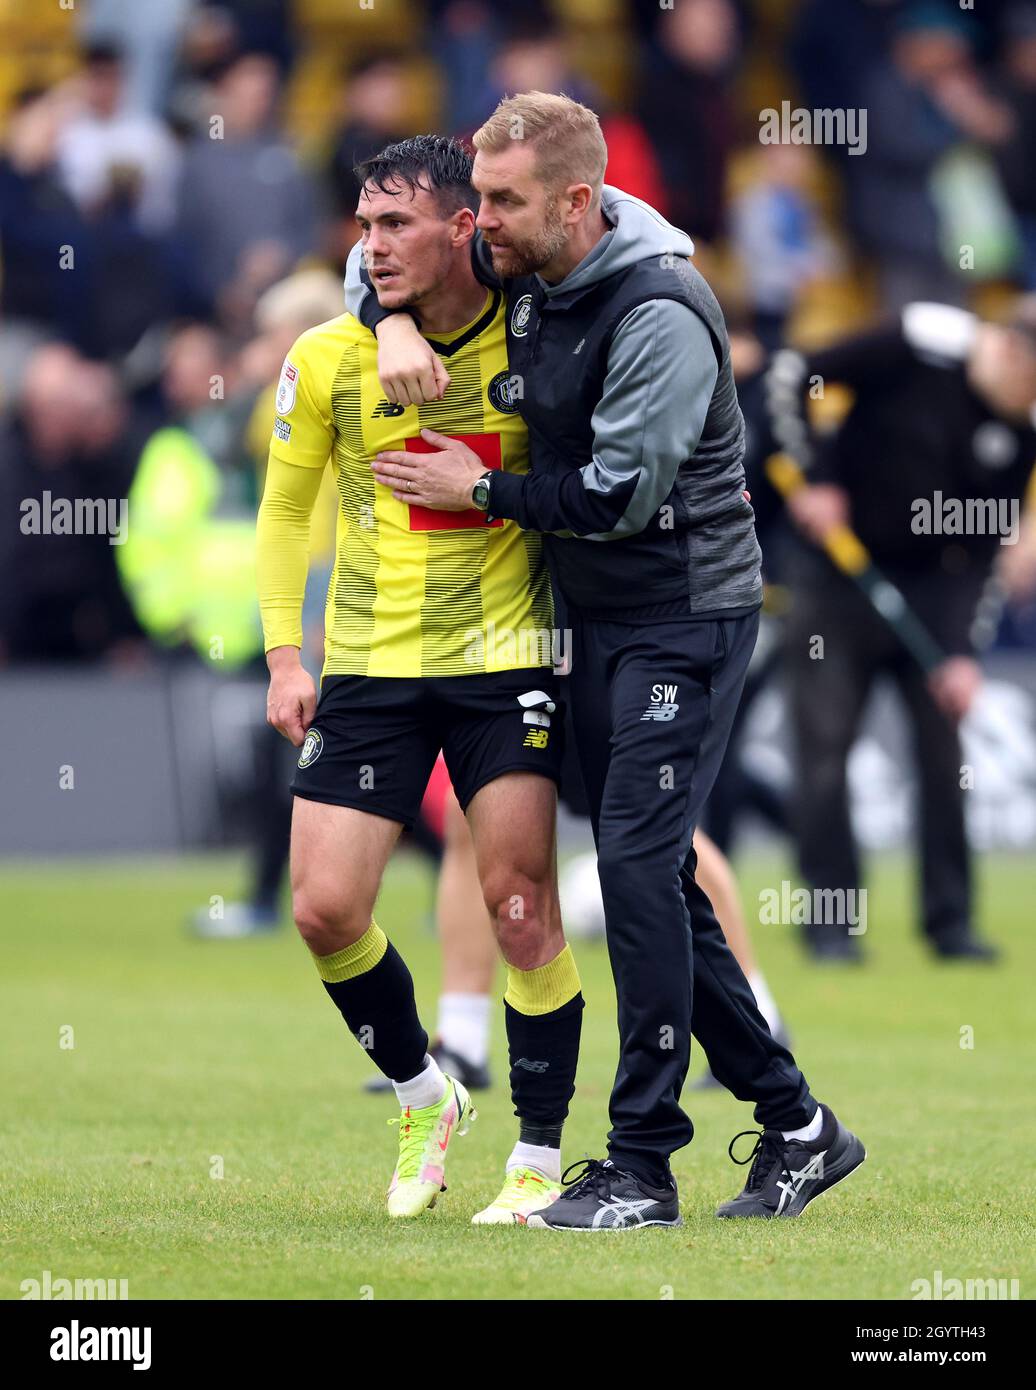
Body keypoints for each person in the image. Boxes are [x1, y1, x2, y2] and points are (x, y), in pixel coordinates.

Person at [355, 92, 864, 1229]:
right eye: (476, 198)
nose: (477, 222)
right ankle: (797, 1125)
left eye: (500, 200)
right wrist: (383, 319)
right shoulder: (523, 260)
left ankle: (641, 1162)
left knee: (636, 870)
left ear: (576, 201)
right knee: (658, 881)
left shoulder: (661, 310)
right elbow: (386, 254)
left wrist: (478, 489)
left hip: (683, 612)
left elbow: (617, 498)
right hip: (591, 622)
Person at [258, 136, 585, 1225]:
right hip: (368, 662)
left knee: (518, 903)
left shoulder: (538, 327)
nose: (372, 244)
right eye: (362, 225)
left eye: (396, 224)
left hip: (505, 659)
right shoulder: (328, 354)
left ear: (464, 228)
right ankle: (422, 1091)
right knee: (322, 907)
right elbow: (279, 510)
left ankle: (537, 1158)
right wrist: (282, 653)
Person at [768, 299, 1036, 962]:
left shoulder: (1022, 430)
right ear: (1009, 348)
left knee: (945, 764)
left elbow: (980, 556)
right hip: (836, 575)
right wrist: (815, 479)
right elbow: (794, 373)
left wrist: (961, 655)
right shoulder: (919, 340)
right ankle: (831, 926)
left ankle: (949, 924)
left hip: (930, 597)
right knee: (824, 757)